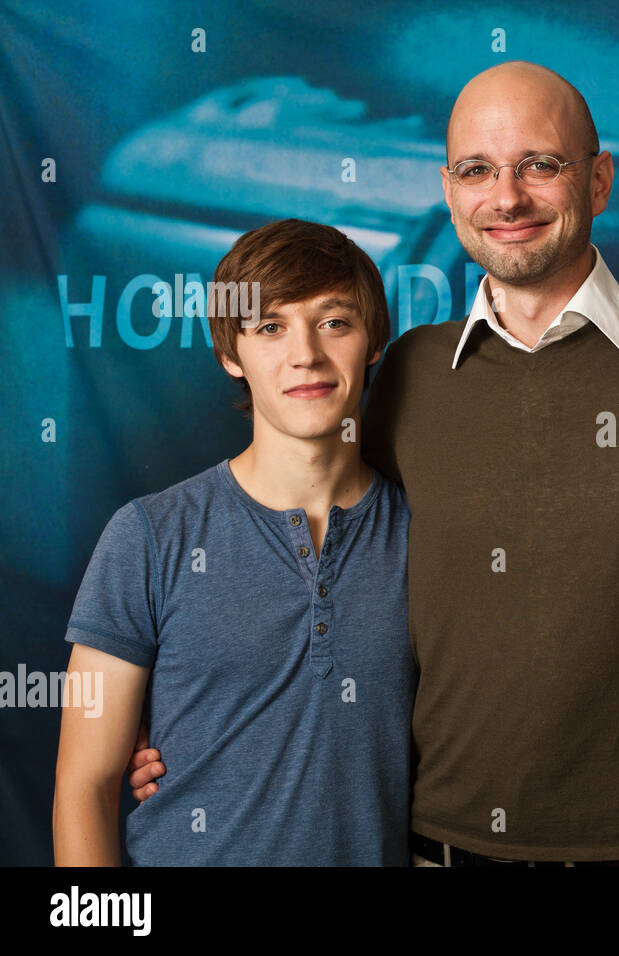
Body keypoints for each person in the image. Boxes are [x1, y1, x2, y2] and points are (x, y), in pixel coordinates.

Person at [347, 61, 619, 867]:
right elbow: (320, 565)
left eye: (539, 165)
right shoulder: (407, 376)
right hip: (439, 843)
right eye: (477, 171)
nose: (507, 198)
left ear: (599, 181)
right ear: (448, 190)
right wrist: (190, 712)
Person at [53, 219, 415, 865]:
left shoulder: (426, 534)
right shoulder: (149, 536)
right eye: (270, 327)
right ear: (230, 353)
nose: (306, 354)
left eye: (334, 322)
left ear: (374, 343)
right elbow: (85, 788)